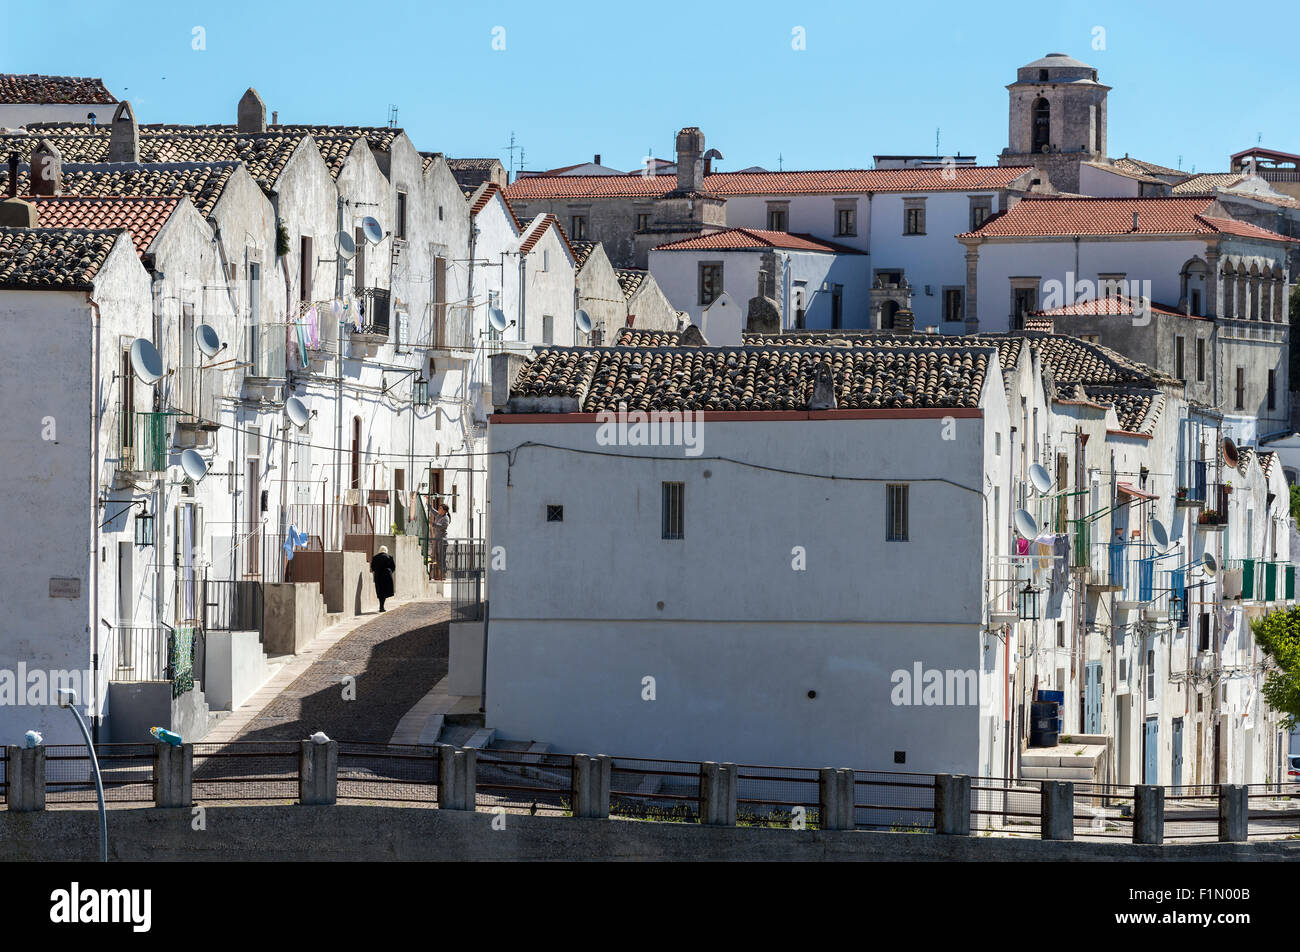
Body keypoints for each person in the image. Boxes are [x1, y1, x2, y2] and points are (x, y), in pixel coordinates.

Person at [371, 544, 395, 612]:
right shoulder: (389, 557)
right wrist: (389, 573)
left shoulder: (375, 557)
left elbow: (372, 567)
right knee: (385, 592)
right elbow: (393, 567)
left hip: (378, 576)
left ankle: (381, 606)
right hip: (387, 576)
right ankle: (381, 607)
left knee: (380, 591)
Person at [432, 503, 451, 579]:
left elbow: (443, 527)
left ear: (444, 510)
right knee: (437, 557)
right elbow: (432, 510)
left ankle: (443, 574)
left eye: (440, 508)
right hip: (437, 540)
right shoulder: (438, 515)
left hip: (442, 540)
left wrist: (434, 524)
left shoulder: (446, 518)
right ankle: (438, 574)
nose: (438, 510)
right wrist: (428, 500)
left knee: (441, 558)